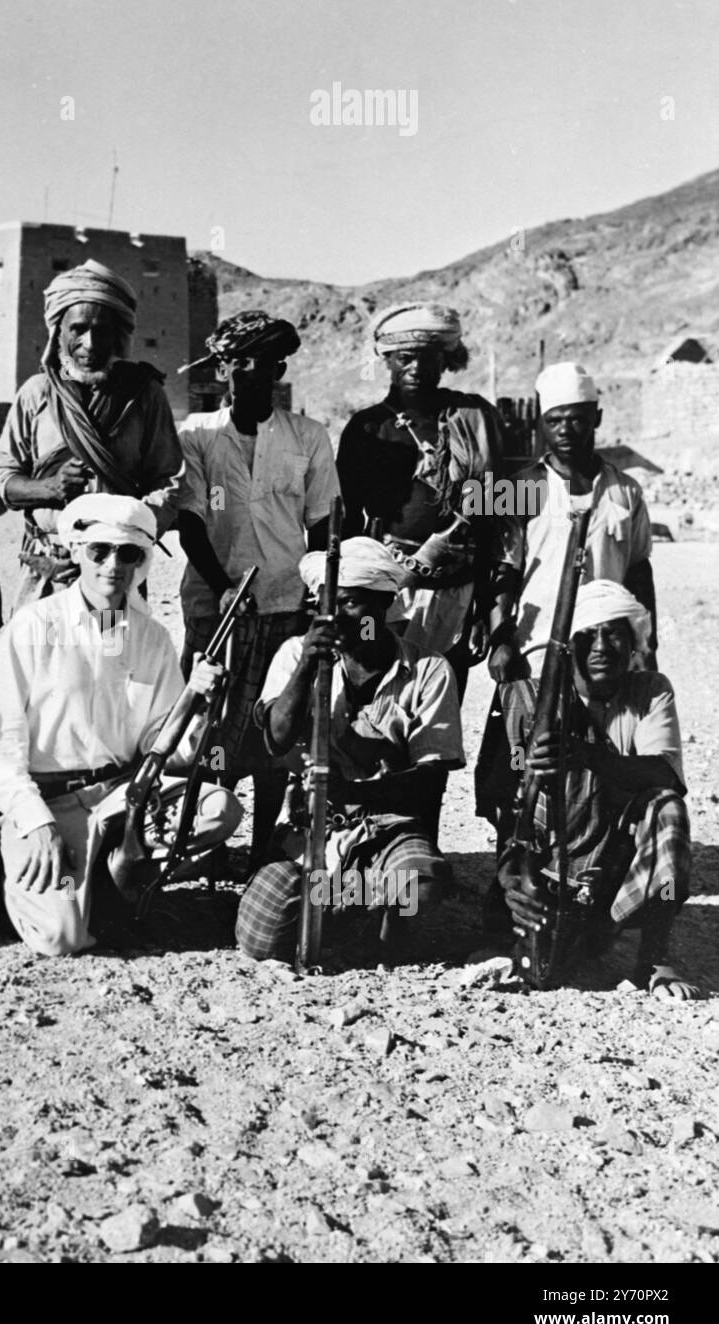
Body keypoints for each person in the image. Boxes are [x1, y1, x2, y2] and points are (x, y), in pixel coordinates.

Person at [0, 494, 242, 956]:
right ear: (78, 551)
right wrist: (36, 822)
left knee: (219, 809)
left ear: (141, 562)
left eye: (128, 553)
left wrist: (199, 702)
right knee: (63, 939)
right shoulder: (33, 626)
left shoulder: (151, 638)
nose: (112, 565)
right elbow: (0, 748)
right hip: (51, 803)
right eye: (100, 551)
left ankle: (108, 875)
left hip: (123, 798)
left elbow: (165, 745)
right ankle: (61, 880)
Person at [236, 538, 464, 964]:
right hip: (310, 828)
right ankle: (343, 904)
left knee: (422, 886)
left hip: (386, 823)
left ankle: (367, 907)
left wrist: (355, 793)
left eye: (350, 604)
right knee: (260, 938)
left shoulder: (429, 670)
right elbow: (276, 739)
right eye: (325, 603)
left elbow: (431, 778)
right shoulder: (294, 655)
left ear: (383, 605)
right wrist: (307, 665)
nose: (335, 616)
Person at [175, 310, 341, 869]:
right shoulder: (195, 436)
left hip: (284, 604)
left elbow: (321, 524)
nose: (246, 372)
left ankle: (262, 849)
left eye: (260, 363)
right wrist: (223, 588)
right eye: (235, 362)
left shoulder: (308, 437)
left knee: (276, 732)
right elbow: (192, 519)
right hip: (215, 607)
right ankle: (201, 839)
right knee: (208, 727)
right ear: (221, 368)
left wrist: (319, 593)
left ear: (279, 368)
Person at [478, 581, 698, 1000]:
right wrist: (511, 882)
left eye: (614, 633)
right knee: (542, 968)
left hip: (610, 870)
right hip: (545, 868)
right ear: (566, 648)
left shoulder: (650, 690)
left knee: (667, 810)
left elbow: (666, 776)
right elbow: (502, 804)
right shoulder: (526, 699)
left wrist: (585, 755)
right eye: (588, 634)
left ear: (633, 643)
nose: (601, 646)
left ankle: (654, 956)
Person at [337, 302, 505, 694]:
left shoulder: (476, 418)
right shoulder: (367, 428)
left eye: (427, 358)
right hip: (383, 590)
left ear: (445, 360)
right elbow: (348, 523)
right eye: (404, 358)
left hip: (458, 589)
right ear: (387, 361)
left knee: (442, 690)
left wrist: (485, 607)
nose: (415, 367)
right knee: (377, 689)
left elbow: (496, 517)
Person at [0, 260, 184, 607]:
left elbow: (168, 482)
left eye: (103, 331)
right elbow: (5, 484)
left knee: (112, 656)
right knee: (44, 658)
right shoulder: (35, 394)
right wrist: (49, 488)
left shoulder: (144, 395)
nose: (90, 343)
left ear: (118, 335)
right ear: (59, 333)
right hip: (49, 572)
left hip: (116, 574)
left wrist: (121, 537)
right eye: (78, 329)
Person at [485, 362, 655, 680]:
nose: (564, 430)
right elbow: (504, 571)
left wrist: (647, 646)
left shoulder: (626, 490)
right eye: (554, 421)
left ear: (597, 419)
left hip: (606, 650)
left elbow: (639, 570)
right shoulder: (519, 489)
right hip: (535, 647)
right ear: (542, 424)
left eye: (577, 419)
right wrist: (500, 641)